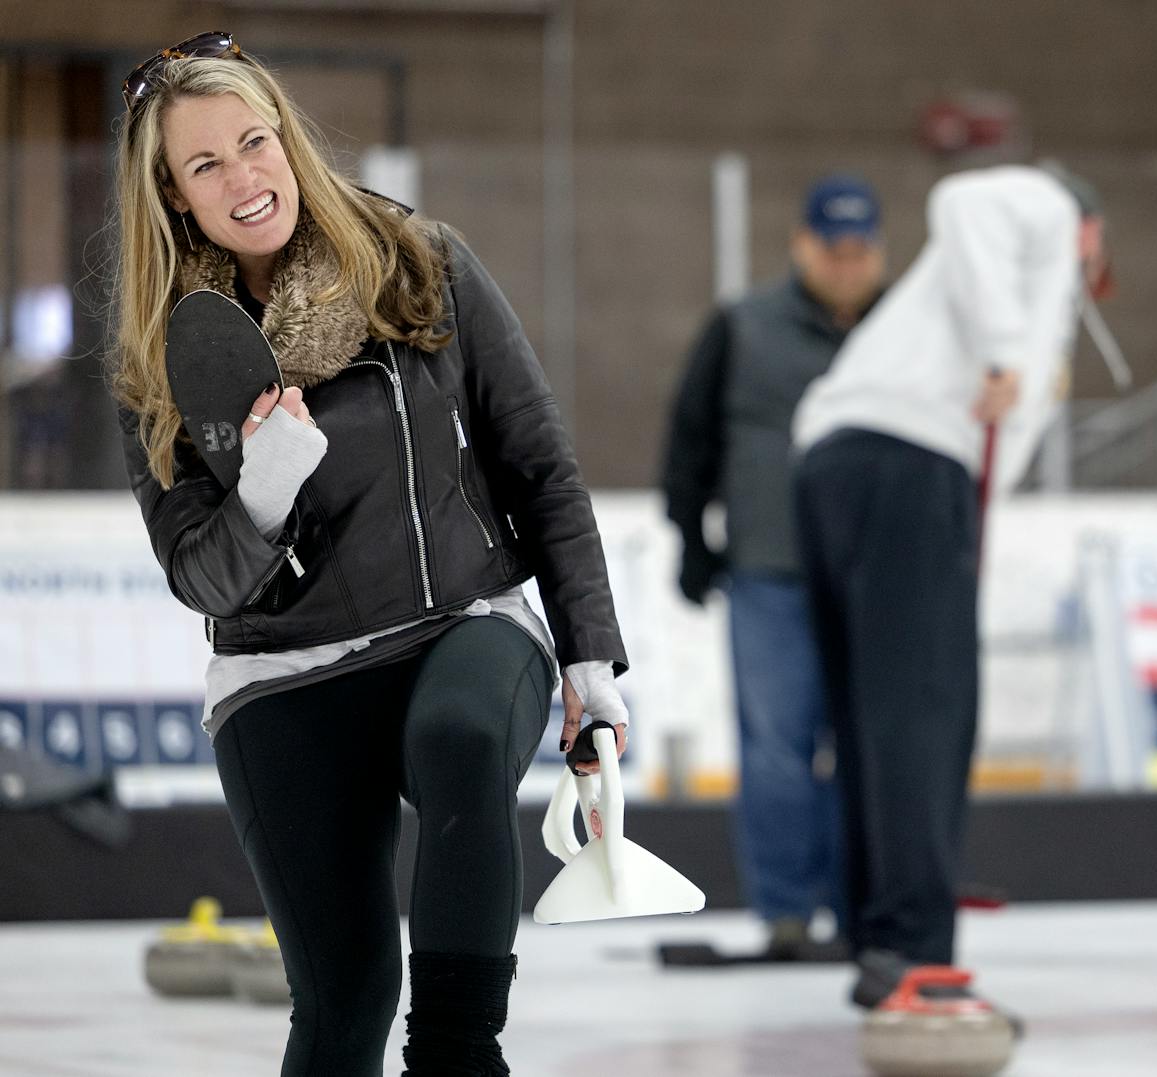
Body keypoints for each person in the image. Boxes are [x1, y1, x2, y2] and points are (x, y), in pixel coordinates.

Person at [106, 32, 628, 1077]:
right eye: (206, 164)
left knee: (462, 737)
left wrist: (591, 657)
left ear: (286, 139)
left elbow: (540, 467)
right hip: (282, 674)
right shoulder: (159, 356)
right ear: (173, 194)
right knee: (343, 1006)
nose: (244, 177)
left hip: (460, 626)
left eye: (255, 142)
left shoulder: (421, 263)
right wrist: (262, 491)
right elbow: (199, 575)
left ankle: (457, 1054)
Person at [790, 163, 1106, 1008]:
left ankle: (876, 933)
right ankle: (913, 951)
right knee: (924, 715)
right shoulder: (1047, 213)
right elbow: (961, 198)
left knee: (873, 715)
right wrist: (1004, 350)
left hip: (837, 465)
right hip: (909, 463)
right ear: (1092, 232)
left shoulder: (998, 296)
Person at [661, 175, 885, 956]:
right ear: (802, 245)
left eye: (860, 251)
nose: (847, 266)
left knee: (868, 747)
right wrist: (691, 536)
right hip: (771, 570)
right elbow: (691, 436)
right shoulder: (742, 326)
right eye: (833, 250)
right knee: (777, 750)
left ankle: (862, 908)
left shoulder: (906, 331)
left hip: (877, 580)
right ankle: (787, 910)